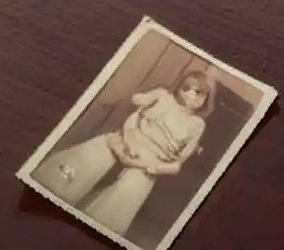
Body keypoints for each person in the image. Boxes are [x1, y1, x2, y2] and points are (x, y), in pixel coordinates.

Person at [30, 71, 215, 236]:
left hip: (149, 160)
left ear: (206, 100)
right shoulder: (163, 97)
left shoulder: (196, 125)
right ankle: (49, 191)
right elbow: (139, 101)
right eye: (187, 88)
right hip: (127, 139)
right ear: (179, 88)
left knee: (127, 194)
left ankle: (92, 228)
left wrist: (149, 166)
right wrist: (142, 100)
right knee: (93, 155)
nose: (192, 95)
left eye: (199, 93)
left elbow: (176, 166)